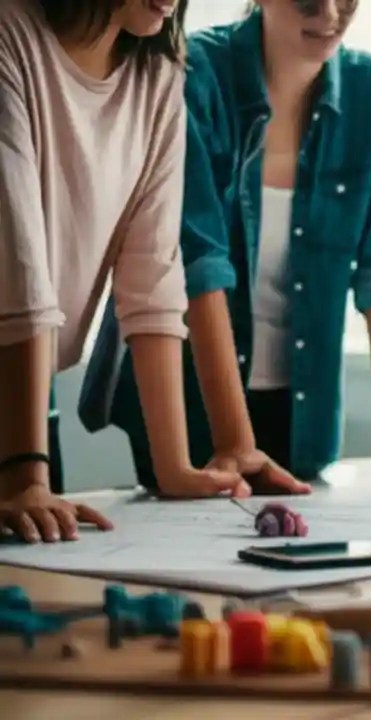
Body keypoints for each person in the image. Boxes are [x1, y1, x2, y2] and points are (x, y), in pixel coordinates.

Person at [83, 0, 371, 491]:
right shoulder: (194, 73)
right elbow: (199, 263)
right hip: (193, 414)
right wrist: (236, 441)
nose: (330, 14)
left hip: (302, 419)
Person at [0, 0, 254, 543]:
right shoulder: (10, 35)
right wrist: (25, 472)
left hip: (22, 406)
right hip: (19, 427)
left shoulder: (159, 75)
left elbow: (153, 275)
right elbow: (18, 264)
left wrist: (175, 469)